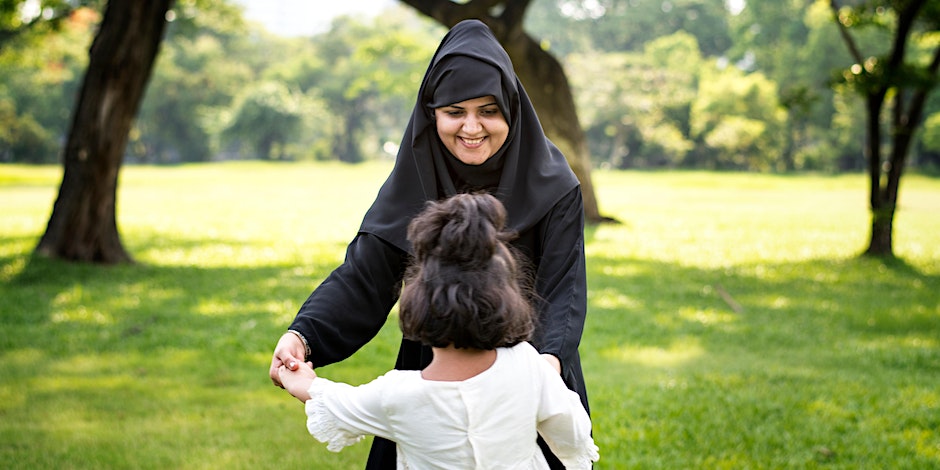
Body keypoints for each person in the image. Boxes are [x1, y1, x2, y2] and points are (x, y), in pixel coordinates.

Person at [269, 18, 591, 469]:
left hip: (534, 373)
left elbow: (564, 292)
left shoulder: (555, 186)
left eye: (488, 110)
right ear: (431, 112)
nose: (472, 127)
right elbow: (365, 276)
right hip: (439, 367)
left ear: (512, 110)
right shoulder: (413, 181)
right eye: (455, 111)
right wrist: (303, 335)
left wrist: (541, 374)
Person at [278, 193, 599, 469]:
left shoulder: (397, 396)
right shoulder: (530, 367)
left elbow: (333, 401)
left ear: (418, 307)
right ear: (508, 301)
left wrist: (295, 372)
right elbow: (573, 433)